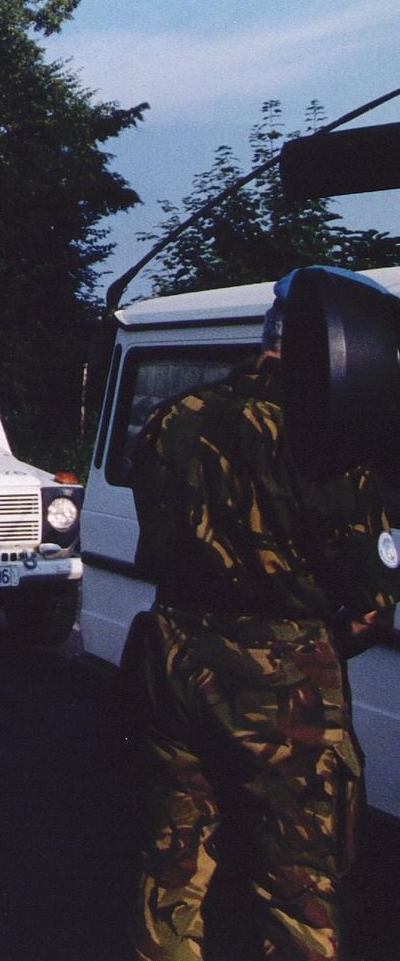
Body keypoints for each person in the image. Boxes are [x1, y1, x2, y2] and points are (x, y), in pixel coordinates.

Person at [124, 268, 400, 959]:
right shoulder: (331, 441)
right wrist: (305, 648)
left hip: (173, 656)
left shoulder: (172, 421)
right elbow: (372, 607)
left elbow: (155, 545)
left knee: (172, 866)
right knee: (299, 883)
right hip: (284, 677)